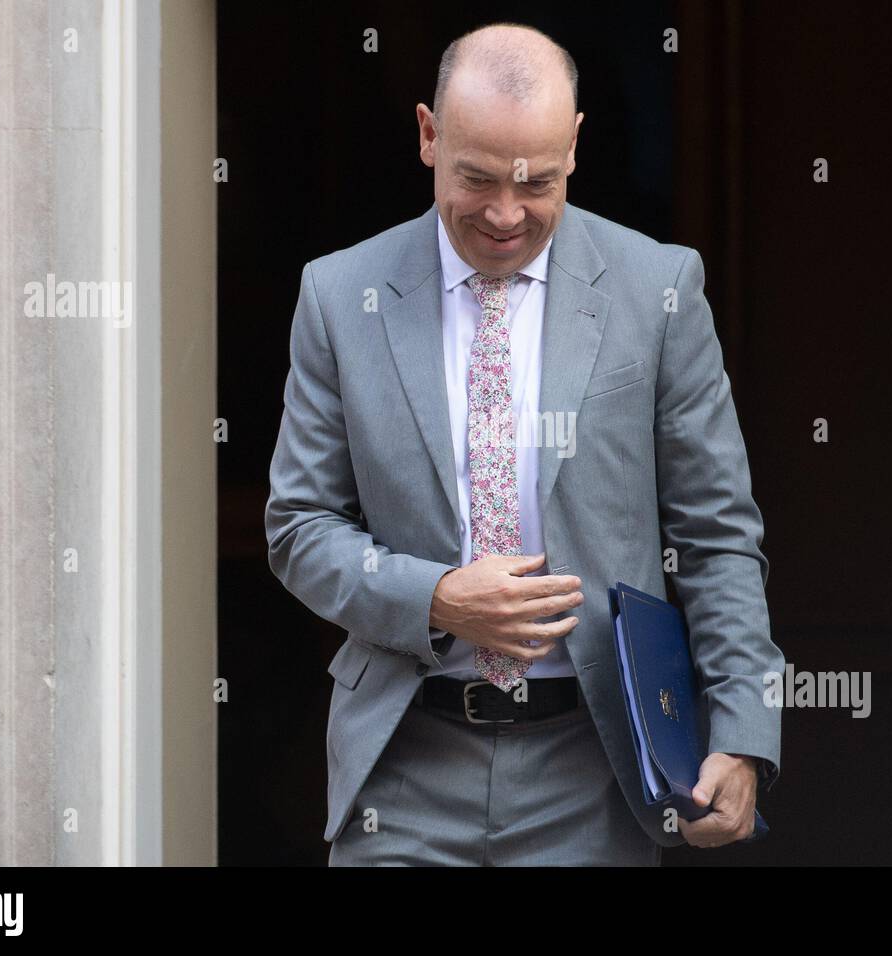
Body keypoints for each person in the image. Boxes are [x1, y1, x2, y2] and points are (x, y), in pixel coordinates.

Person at [265, 21, 783, 866]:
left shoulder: (658, 288)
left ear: (575, 145)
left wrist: (742, 727)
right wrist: (436, 599)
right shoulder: (338, 294)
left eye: (536, 182)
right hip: (403, 767)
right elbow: (299, 528)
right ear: (429, 136)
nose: (506, 215)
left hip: (595, 770)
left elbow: (717, 533)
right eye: (475, 179)